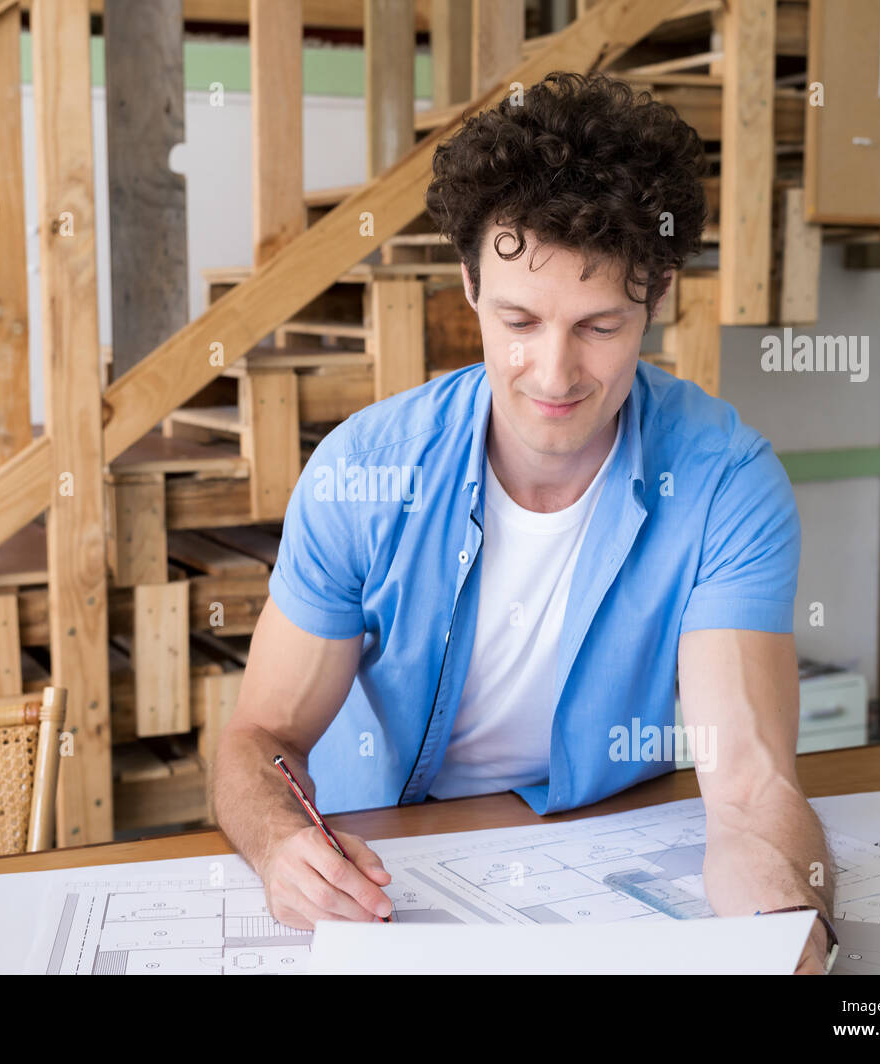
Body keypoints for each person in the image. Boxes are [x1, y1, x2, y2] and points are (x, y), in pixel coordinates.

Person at [213, 71, 837, 973]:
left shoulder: (725, 484)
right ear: (468, 284)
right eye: (518, 319)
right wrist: (279, 846)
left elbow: (748, 789)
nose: (553, 372)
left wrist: (788, 936)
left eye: (600, 326)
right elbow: (257, 741)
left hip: (603, 852)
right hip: (393, 877)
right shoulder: (362, 472)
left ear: (655, 296)